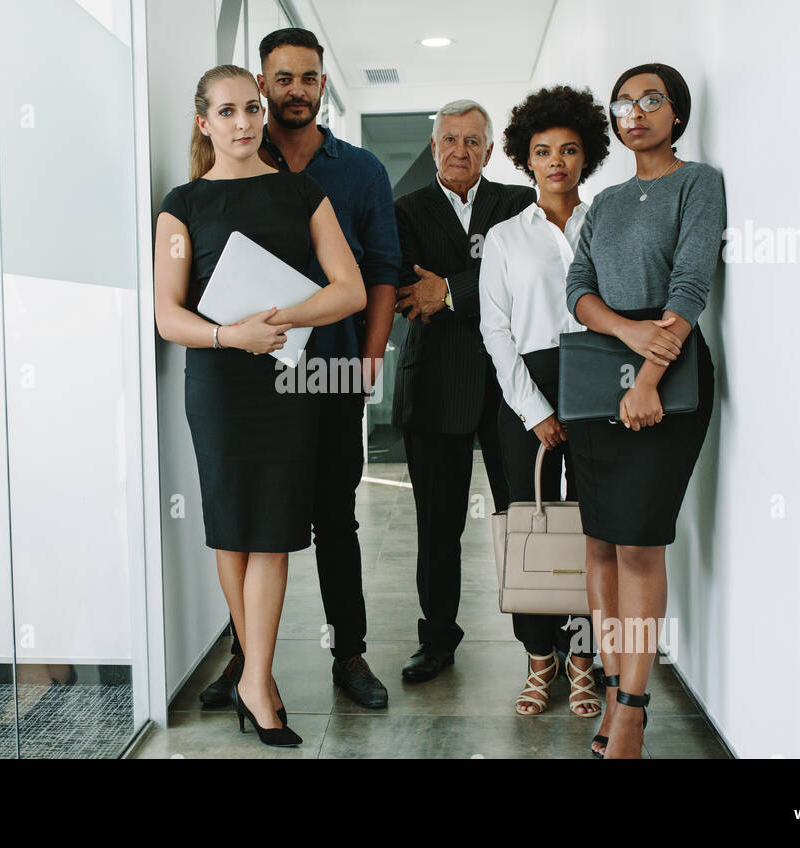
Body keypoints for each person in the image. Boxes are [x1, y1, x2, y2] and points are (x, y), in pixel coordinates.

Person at [154, 64, 366, 746]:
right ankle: (259, 681)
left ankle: (256, 674)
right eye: (227, 111)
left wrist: (281, 322)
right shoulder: (181, 205)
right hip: (218, 385)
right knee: (231, 528)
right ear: (204, 122)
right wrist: (229, 334)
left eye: (252, 108)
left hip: (284, 378)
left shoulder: (301, 193)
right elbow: (166, 315)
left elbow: (351, 289)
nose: (243, 122)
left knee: (274, 529)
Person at [197, 28, 399, 710]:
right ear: (261, 84)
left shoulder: (360, 171)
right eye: (281, 78)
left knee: (335, 515)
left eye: (308, 78)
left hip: (331, 367)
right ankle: (247, 662)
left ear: (320, 86)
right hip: (250, 374)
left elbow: (381, 274)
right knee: (247, 521)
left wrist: (369, 361)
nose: (295, 90)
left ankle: (349, 655)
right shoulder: (232, 160)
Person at [564, 63, 725, 758]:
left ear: (677, 115)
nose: (635, 112)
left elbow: (690, 284)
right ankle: (609, 688)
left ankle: (631, 711)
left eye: (651, 100)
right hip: (602, 369)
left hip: (670, 373)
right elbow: (578, 286)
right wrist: (625, 334)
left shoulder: (698, 184)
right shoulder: (602, 201)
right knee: (599, 540)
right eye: (624, 103)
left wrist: (649, 374)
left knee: (637, 542)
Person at [392, 100, 537, 683]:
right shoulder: (404, 212)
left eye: (472, 141)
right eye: (449, 139)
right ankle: (437, 640)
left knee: (526, 518)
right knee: (438, 524)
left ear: (491, 150)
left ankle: (542, 645)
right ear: (433, 148)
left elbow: (527, 279)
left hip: (512, 388)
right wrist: (482, 287)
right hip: (435, 388)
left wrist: (450, 289)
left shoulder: (518, 204)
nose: (460, 150)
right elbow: (408, 292)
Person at [479, 85, 610, 718]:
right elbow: (495, 330)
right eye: (542, 151)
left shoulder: (606, 223)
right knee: (529, 524)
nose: (556, 161)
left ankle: (584, 662)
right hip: (523, 387)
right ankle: (539, 660)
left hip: (596, 381)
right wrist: (535, 412)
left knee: (593, 528)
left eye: (569, 150)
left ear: (587, 157)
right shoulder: (504, 238)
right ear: (525, 160)